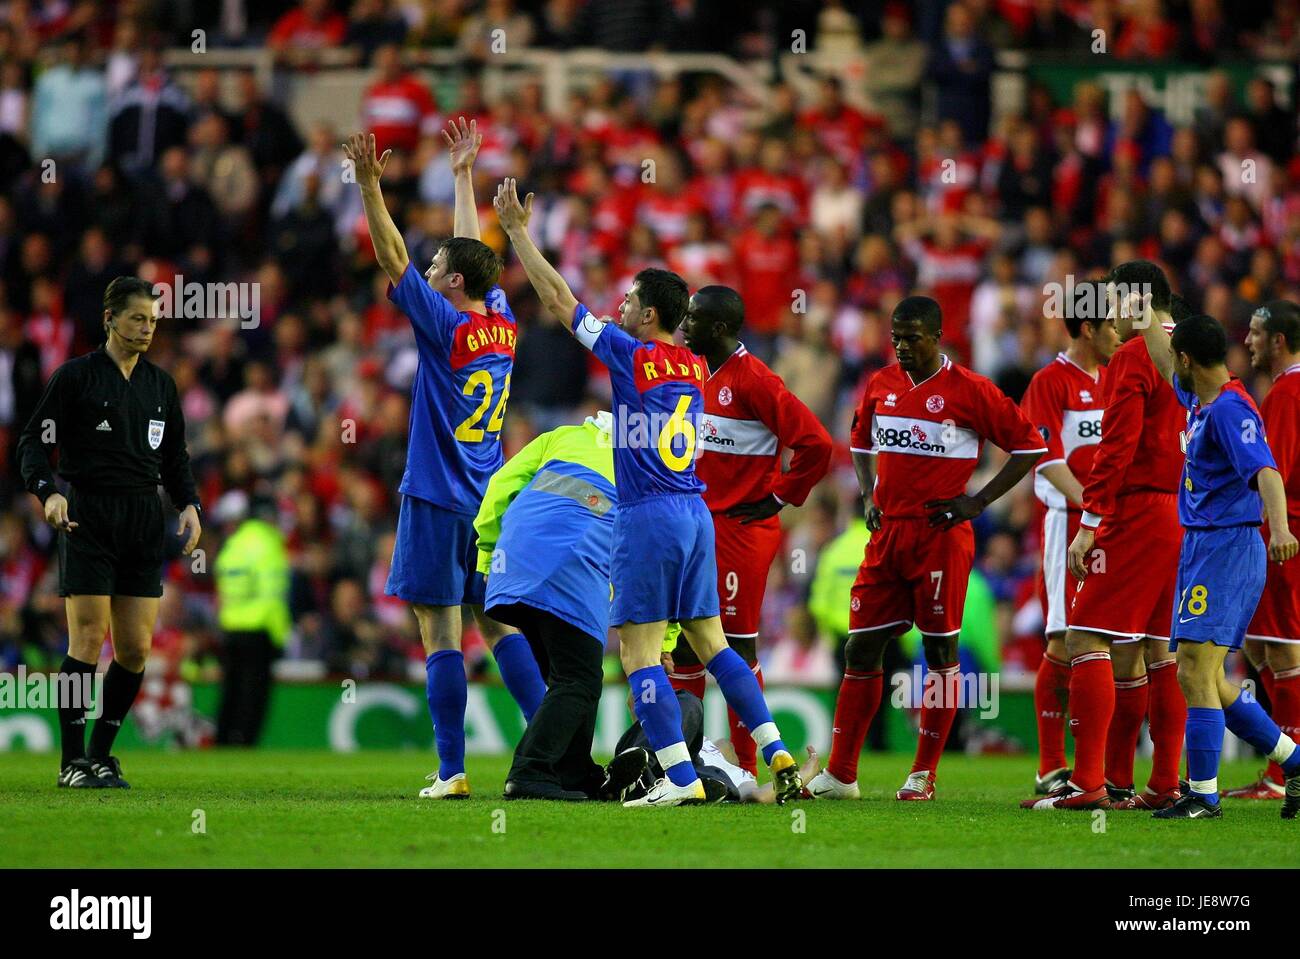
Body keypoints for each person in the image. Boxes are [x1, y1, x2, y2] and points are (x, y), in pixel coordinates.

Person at [494, 177, 803, 807]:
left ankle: (680, 781)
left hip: (647, 516)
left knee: (638, 657)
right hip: (696, 512)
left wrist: (519, 234)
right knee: (715, 645)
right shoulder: (693, 363)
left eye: (630, 299)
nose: (620, 305)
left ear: (650, 315)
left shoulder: (630, 355)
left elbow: (556, 298)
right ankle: (778, 753)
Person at [343, 120, 537, 799]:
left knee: (439, 630)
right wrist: (461, 177)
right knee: (498, 623)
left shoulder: (446, 323)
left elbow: (394, 257)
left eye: (438, 271)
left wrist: (371, 188)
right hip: (491, 500)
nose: (427, 271)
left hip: (434, 493)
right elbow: (467, 255)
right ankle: (550, 749)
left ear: (451, 284)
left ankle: (453, 769)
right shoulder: (502, 316)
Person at [806, 295, 1046, 801]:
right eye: (896, 337)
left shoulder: (971, 390)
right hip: (887, 534)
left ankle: (923, 773)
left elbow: (1029, 445)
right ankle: (842, 775)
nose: (902, 346)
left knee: (940, 651)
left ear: (937, 336)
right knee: (860, 646)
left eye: (912, 338)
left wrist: (977, 501)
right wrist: (870, 493)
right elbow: (860, 441)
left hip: (940, 536)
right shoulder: (880, 383)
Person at [17, 275, 202, 789]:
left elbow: (174, 458)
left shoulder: (160, 385)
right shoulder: (75, 378)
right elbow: (32, 439)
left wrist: (188, 503)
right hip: (88, 513)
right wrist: (47, 492)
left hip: (144, 518)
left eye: (153, 321)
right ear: (110, 319)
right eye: (137, 319)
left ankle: (101, 753)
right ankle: (70, 761)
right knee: (89, 637)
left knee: (136, 649)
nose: (146, 330)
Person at [1028, 261, 1186, 811]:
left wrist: (1091, 523)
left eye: (1116, 301)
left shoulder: (1132, 357)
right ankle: (1156, 783)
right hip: (1185, 513)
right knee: (1160, 651)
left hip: (1136, 511)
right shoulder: (1192, 349)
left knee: (1085, 637)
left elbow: (1118, 448)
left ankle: (1087, 783)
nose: (1111, 315)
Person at [1133, 309, 1300, 819]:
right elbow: (1166, 364)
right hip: (1202, 547)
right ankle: (1296, 762)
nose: (1171, 369)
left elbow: (1267, 471)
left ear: (1190, 359)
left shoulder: (1230, 411)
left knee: (1196, 671)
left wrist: (1282, 529)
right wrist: (1145, 316)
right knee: (1210, 678)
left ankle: (1203, 794)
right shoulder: (1201, 397)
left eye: (1177, 358)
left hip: (1228, 546)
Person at [673, 285, 833, 775]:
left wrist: (780, 496)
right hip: (696, 523)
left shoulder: (755, 380)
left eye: (695, 318)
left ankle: (746, 763)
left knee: (736, 644)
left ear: (720, 328)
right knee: (685, 645)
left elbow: (816, 444)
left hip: (741, 530)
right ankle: (688, 759)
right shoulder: (693, 371)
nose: (685, 324)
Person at [473, 410, 619, 801]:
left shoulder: (560, 437)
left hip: (515, 557)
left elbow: (501, 485)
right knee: (579, 678)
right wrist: (666, 639)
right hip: (571, 560)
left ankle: (574, 773)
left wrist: (487, 557)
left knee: (569, 677)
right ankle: (530, 771)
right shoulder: (645, 460)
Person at [1019, 280, 1120, 794]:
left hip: (1111, 528)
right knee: (1063, 638)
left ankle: (1103, 770)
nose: (1119, 334)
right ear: (1087, 327)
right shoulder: (1050, 382)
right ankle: (1051, 766)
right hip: (1066, 525)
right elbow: (1048, 460)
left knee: (1111, 641)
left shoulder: (1115, 378)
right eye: (1111, 326)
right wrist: (1093, 507)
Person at [1228, 300, 1300, 799]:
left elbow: (1279, 470)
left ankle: (1286, 767)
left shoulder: (1287, 393)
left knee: (1282, 644)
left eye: (1255, 333)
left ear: (1277, 340)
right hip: (1281, 530)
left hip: (1282, 533)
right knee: (1259, 644)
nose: (1248, 341)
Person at [213, 490, 290, 746]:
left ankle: (222, 740)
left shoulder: (234, 543)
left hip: (231, 627)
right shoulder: (269, 542)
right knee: (254, 694)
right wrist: (279, 635)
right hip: (259, 629)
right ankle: (245, 743)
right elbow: (273, 595)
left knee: (230, 691)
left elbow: (222, 586)